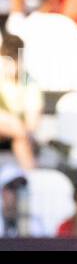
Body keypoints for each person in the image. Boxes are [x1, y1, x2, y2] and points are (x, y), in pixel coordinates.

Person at [0, 34, 39, 172]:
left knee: (21, 140)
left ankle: (31, 179)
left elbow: (30, 126)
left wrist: (16, 129)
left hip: (17, 138)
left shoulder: (29, 82)